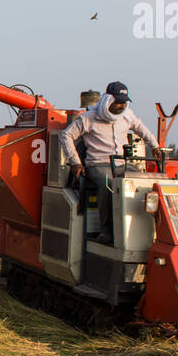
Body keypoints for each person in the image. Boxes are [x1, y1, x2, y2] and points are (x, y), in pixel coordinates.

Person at [61, 80, 161, 244]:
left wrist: (155, 146)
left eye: (124, 102)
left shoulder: (127, 116)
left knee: (143, 183)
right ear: (108, 100)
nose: (122, 106)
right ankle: (106, 232)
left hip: (122, 164)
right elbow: (66, 135)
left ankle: (146, 231)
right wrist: (75, 162)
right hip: (98, 165)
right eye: (119, 102)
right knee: (108, 184)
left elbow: (142, 129)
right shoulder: (89, 118)